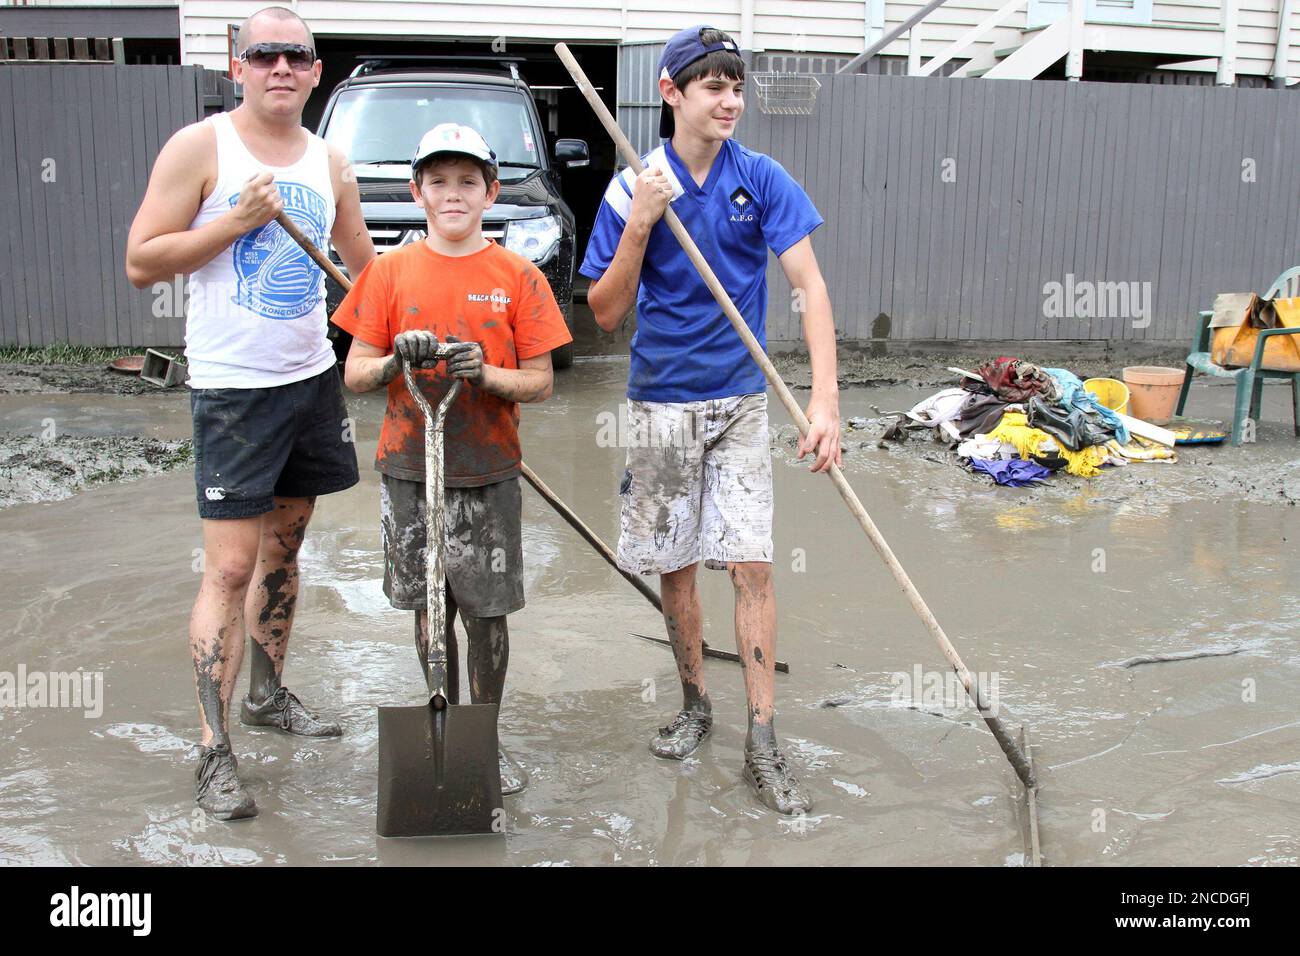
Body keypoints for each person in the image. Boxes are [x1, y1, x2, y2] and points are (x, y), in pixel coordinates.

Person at [580, 25, 842, 814]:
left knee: (754, 564)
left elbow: (811, 287)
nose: (730, 100)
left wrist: (825, 400)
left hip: (742, 400)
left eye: (737, 86)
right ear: (671, 94)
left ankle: (763, 740)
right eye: (713, 86)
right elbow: (602, 314)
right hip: (660, 402)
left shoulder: (759, 177)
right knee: (676, 563)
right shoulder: (635, 185)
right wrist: (641, 225)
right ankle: (696, 705)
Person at [125, 6, 376, 821]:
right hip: (233, 391)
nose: (279, 68)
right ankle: (214, 750)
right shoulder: (202, 148)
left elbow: (365, 272)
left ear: (314, 71)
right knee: (229, 569)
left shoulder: (329, 160)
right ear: (239, 67)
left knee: (287, 548)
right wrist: (233, 222)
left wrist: (409, 336)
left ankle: (269, 694)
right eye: (263, 54)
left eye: (294, 56)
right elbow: (140, 260)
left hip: (309, 382)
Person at [333, 123, 572, 795]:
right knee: (427, 605)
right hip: (410, 467)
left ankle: (482, 738)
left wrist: (487, 374)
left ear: (491, 191)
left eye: (468, 181)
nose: (453, 194)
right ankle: (442, 727)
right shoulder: (387, 273)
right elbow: (353, 375)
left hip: (487, 469)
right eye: (438, 181)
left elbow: (543, 380)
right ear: (417, 192)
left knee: (485, 611)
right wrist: (392, 361)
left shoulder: (518, 278)